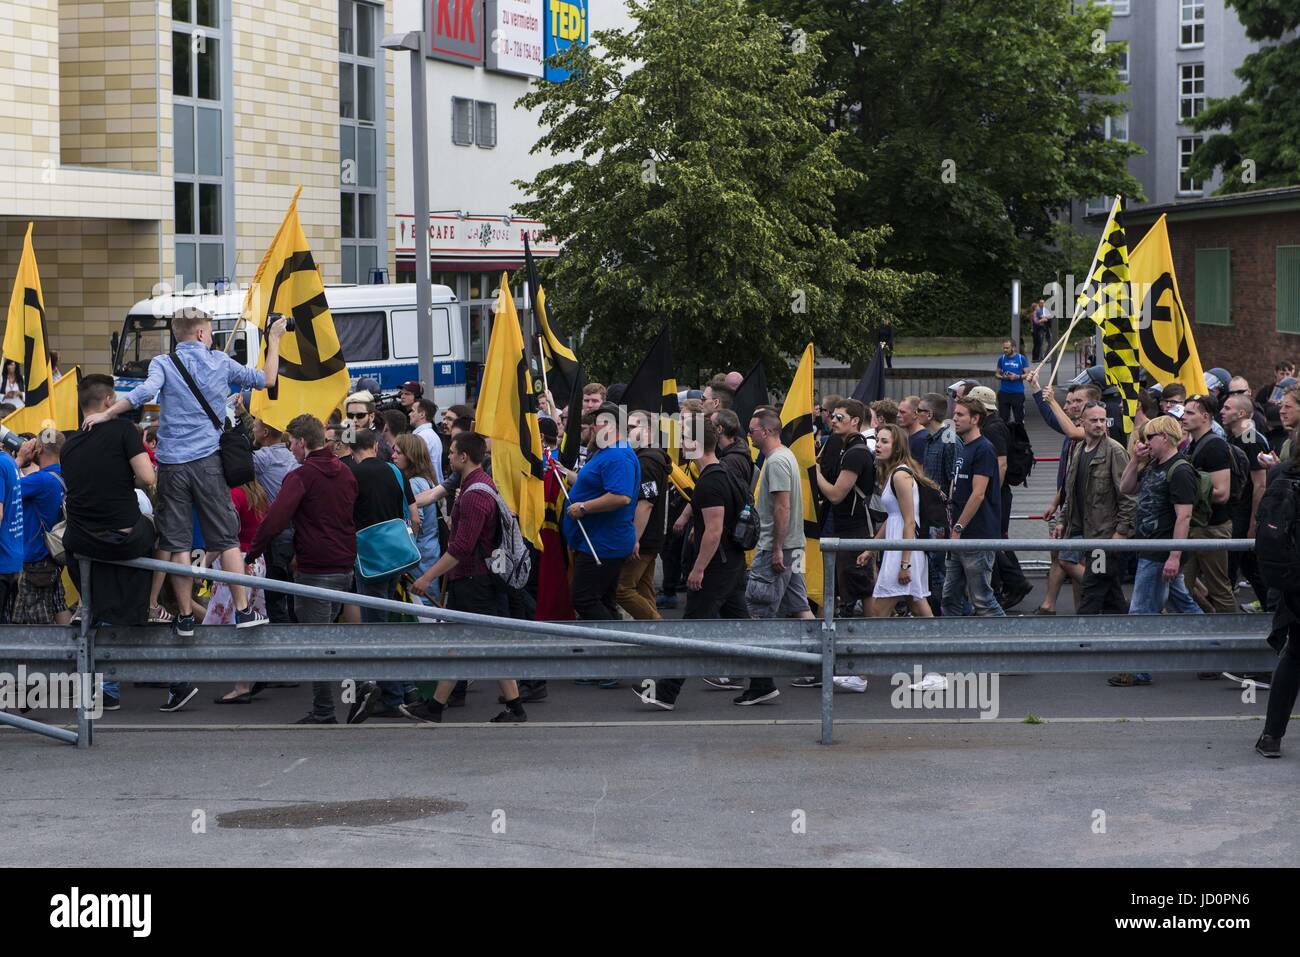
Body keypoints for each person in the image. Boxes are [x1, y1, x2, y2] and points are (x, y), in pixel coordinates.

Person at [82, 306, 287, 636]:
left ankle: (186, 617)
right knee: (225, 538)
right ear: (203, 333)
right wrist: (273, 340)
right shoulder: (220, 362)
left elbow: (143, 393)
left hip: (171, 465)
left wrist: (107, 415)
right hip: (208, 463)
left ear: (177, 334)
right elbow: (267, 379)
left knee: (177, 543)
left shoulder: (163, 363)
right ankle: (243, 610)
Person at [404, 431, 528, 724]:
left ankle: (511, 708)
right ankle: (438, 708)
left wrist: (426, 578)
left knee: (475, 644)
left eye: (452, 453)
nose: (447, 457)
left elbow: (460, 548)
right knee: (469, 643)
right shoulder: (478, 485)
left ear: (463, 457)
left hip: (475, 582)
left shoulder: (474, 495)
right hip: (477, 580)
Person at [245, 414, 358, 724]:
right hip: (344, 565)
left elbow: (275, 520)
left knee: (315, 643)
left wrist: (250, 554)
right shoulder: (346, 473)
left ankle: (326, 709)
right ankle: (361, 684)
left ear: (301, 442)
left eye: (291, 442)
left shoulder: (301, 476)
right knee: (328, 638)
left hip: (315, 567)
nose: (289, 448)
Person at [61, 374, 161, 712]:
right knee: (160, 534)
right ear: (107, 402)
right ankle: (152, 604)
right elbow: (148, 478)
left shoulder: (70, 444)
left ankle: (107, 686)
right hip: (124, 538)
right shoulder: (123, 431)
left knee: (100, 601)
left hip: (82, 542)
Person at [640, 425, 750, 711]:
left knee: (690, 628)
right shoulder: (723, 473)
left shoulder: (712, 480)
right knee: (747, 630)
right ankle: (764, 684)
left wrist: (698, 569)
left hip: (716, 566)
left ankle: (665, 692)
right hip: (732, 562)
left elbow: (713, 530)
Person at [1113, 415, 1203, 686]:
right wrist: (1134, 460)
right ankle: (1219, 650)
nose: (1145, 442)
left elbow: (1184, 517)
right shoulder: (1153, 464)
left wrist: (1174, 556)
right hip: (1152, 549)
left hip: (1160, 553)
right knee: (1183, 605)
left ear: (1164, 437)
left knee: (1140, 611)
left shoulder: (1181, 470)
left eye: (1149, 437)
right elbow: (1126, 488)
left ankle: (1138, 670)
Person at [743, 407, 817, 705]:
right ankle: (821, 664)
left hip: (778, 549)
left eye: (753, 430)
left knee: (759, 611)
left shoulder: (775, 462)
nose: (750, 435)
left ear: (768, 431)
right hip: (793, 545)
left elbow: (782, 507)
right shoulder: (786, 456)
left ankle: (762, 683)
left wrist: (775, 548)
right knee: (799, 606)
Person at [344, 427, 419, 723]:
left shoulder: (352, 475)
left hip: (370, 558)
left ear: (353, 450)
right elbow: (412, 514)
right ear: (376, 446)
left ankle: (393, 696)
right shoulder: (395, 471)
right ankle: (405, 688)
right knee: (388, 622)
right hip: (397, 555)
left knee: (376, 627)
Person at [563, 405, 638, 633]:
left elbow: (621, 496)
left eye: (597, 422)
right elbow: (597, 484)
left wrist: (584, 507)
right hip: (598, 540)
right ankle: (614, 645)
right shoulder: (609, 452)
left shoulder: (617, 455)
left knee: (584, 598)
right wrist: (569, 476)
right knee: (603, 599)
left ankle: (617, 643)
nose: (594, 427)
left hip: (603, 543)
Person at [1057, 401, 1135, 615]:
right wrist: (1062, 521)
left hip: (1104, 537)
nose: (1100, 424)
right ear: (1081, 422)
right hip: (1085, 532)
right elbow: (1071, 491)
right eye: (1094, 420)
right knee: (1111, 595)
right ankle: (1126, 631)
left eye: (1103, 420)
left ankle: (1081, 638)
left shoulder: (1115, 451)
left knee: (1093, 588)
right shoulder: (1079, 449)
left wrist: (1121, 532)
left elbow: (1127, 496)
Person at [966, 385, 1031, 610]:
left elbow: (1001, 463)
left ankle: (1016, 582)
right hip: (994, 491)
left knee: (994, 539)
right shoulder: (993, 424)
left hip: (996, 493)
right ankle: (1012, 582)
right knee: (995, 539)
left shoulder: (993, 428)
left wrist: (991, 495)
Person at [859, 424, 934, 618]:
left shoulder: (900, 475)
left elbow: (909, 521)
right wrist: (871, 549)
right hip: (901, 548)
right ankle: (940, 643)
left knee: (877, 611)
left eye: (885, 442)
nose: (878, 445)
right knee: (916, 604)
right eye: (877, 440)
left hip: (904, 551)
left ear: (897, 447)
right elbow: (893, 518)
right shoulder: (893, 474)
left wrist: (904, 564)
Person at [940, 397, 1005, 618]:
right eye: (954, 414)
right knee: (949, 598)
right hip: (959, 537)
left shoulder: (984, 449)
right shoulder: (964, 447)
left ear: (975, 419)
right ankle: (956, 647)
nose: (954, 419)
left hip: (976, 535)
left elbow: (978, 494)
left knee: (982, 599)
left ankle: (1011, 643)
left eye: (960, 415)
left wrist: (958, 528)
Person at [210, 478, 271, 704]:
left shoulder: (233, 495)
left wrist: (200, 566)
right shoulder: (259, 492)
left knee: (219, 621)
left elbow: (223, 538)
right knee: (249, 624)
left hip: (235, 565)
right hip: (256, 562)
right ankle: (246, 680)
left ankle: (182, 681)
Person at [814, 398, 875, 616]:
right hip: (840, 526)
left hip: (854, 529)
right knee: (830, 586)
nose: (833, 421)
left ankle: (872, 638)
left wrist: (817, 473)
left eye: (840, 418)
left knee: (862, 587)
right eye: (832, 416)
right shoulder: (843, 447)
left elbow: (836, 495)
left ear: (855, 421)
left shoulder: (856, 452)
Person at [1180, 395, 1237, 614]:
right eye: (1184, 412)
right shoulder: (1194, 444)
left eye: (1190, 413)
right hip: (1195, 526)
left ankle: (1233, 639)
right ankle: (1205, 623)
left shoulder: (1214, 446)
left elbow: (1222, 493)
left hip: (1212, 528)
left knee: (1219, 588)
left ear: (1206, 417)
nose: (1184, 417)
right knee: (1180, 585)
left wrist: (1185, 493)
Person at [11, 433, 70, 626]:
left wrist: (19, 459)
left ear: (40, 449)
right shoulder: (64, 475)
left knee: (34, 619)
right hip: (53, 555)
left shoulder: (40, 481)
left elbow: (6, 488)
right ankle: (75, 653)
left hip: (34, 558)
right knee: (58, 604)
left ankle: (47, 656)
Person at [616, 410, 669, 621]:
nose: (627, 432)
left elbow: (646, 503)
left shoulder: (648, 461)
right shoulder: (648, 456)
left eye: (632, 427)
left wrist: (634, 539)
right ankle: (659, 640)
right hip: (649, 537)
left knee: (621, 589)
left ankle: (659, 629)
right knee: (644, 590)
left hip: (644, 539)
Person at [393, 432, 442, 606]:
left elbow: (415, 522)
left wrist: (405, 546)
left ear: (411, 456)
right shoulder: (426, 479)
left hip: (419, 557)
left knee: (421, 607)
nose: (393, 456)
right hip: (430, 551)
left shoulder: (413, 483)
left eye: (398, 452)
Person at [407, 398, 444, 484]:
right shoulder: (430, 434)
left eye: (412, 411)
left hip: (426, 488)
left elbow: (414, 466)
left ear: (422, 414)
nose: (409, 414)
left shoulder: (422, 437)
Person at [994, 339, 1028, 425]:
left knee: (1019, 420)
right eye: (1004, 348)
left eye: (1007, 348)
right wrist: (1003, 377)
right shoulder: (1001, 359)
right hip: (1004, 393)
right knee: (1003, 420)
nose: (1005, 350)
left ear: (1013, 348)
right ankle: (1005, 436)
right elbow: (997, 374)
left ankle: (1019, 437)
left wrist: (1017, 376)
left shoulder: (1021, 358)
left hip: (1017, 393)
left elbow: (1027, 374)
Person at [900, 396, 928, 463]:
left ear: (915, 414)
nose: (898, 415)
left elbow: (919, 471)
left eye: (902, 412)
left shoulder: (921, 439)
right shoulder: (912, 436)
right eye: (898, 411)